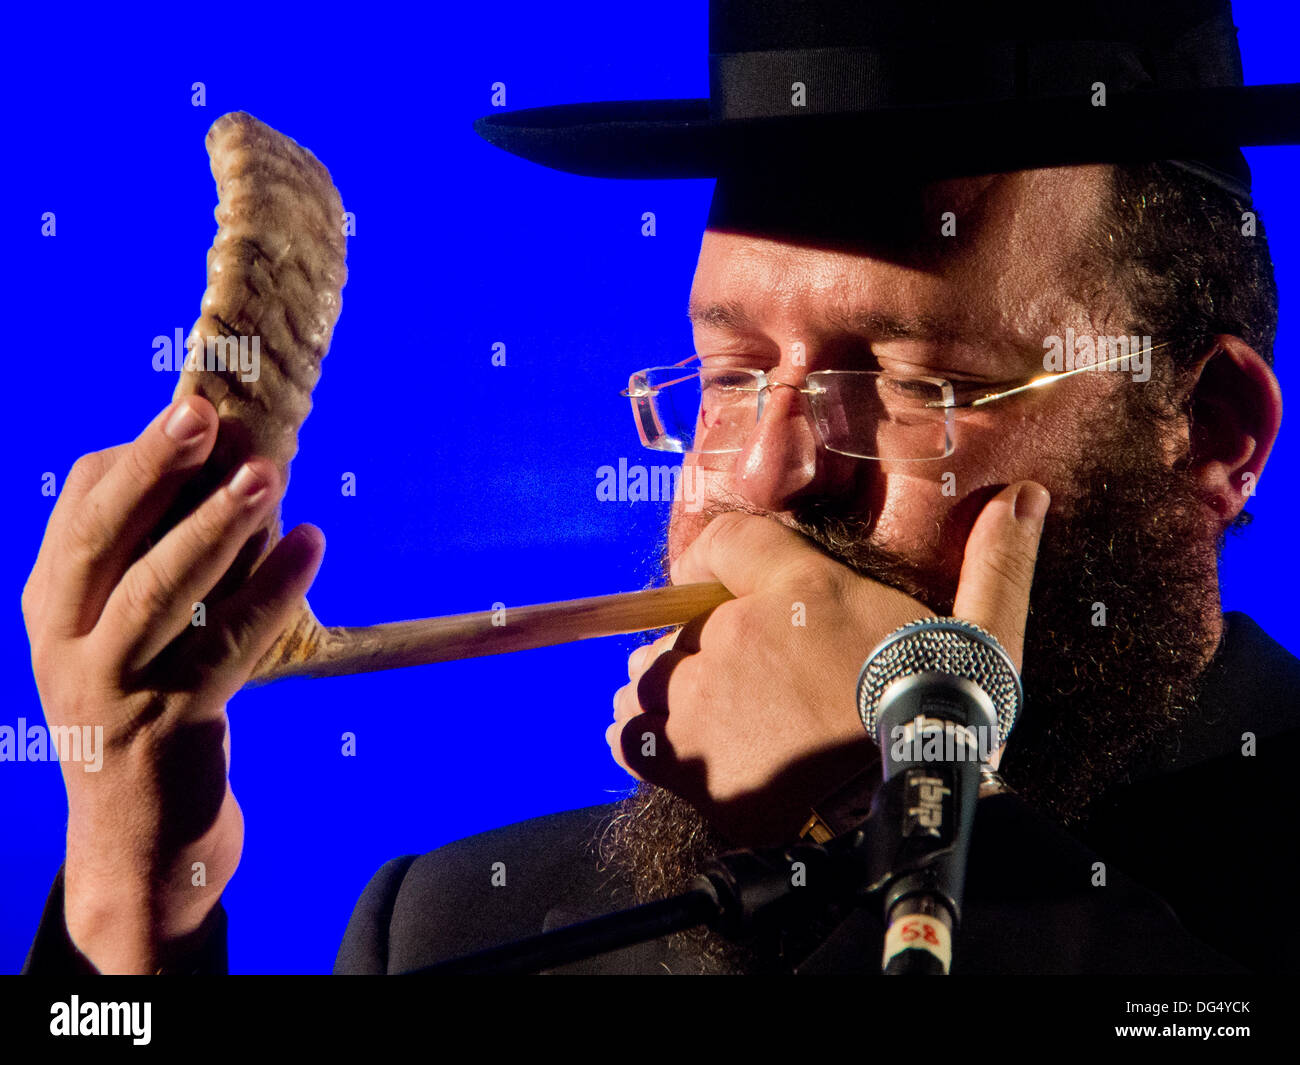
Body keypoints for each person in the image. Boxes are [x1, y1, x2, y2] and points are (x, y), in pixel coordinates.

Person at [21, 0, 1300, 974]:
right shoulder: (462, 932)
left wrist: (907, 840)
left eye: (914, 386)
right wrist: (132, 904)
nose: (764, 478)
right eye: (734, 373)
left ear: (1209, 434)